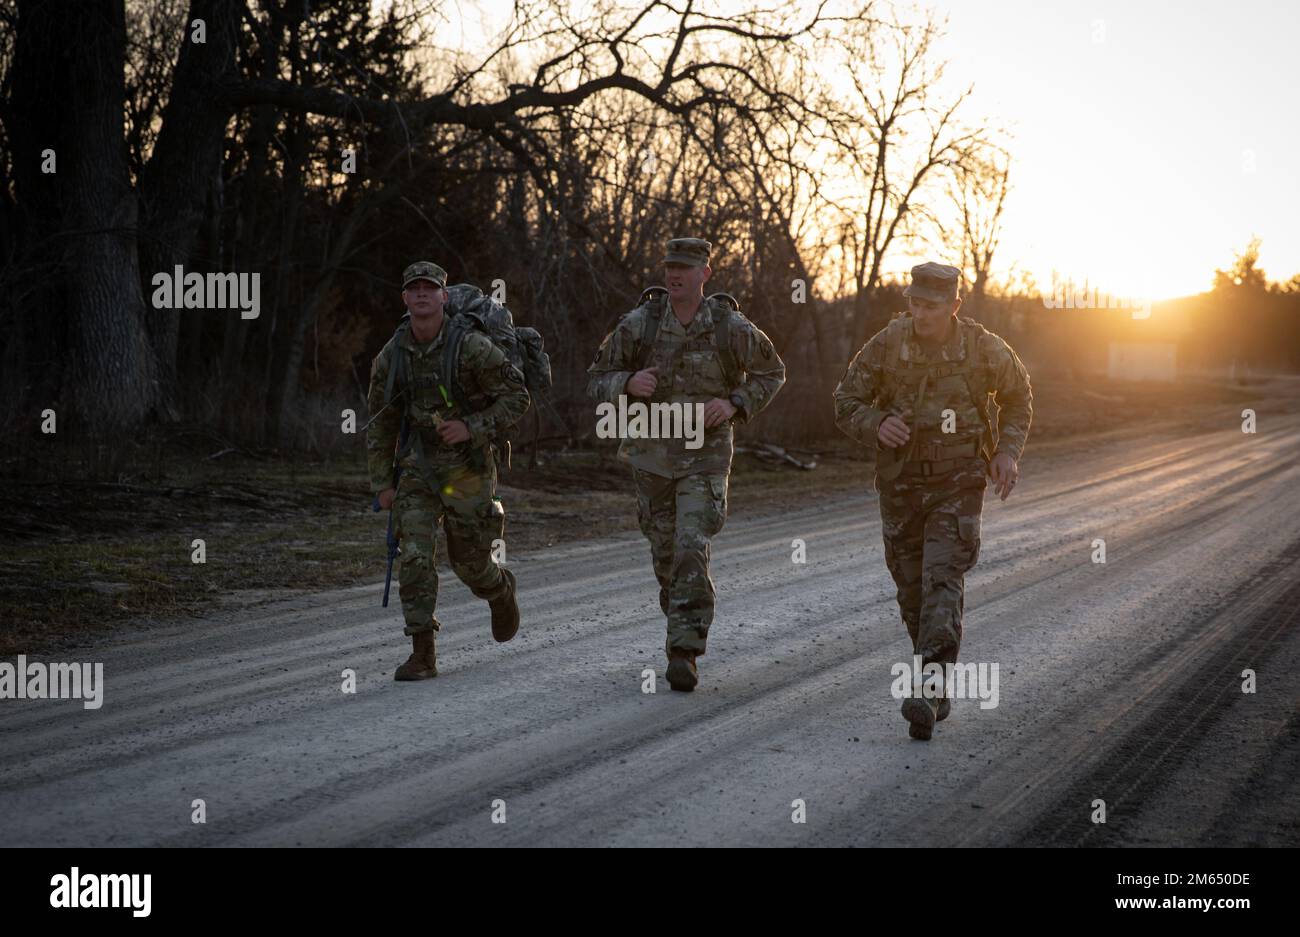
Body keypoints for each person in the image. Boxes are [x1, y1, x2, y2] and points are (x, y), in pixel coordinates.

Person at [833, 261, 1032, 738]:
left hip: (959, 481)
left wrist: (1006, 451)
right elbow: (846, 401)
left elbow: (1019, 395)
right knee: (912, 590)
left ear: (954, 306)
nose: (921, 314)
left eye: (932, 305)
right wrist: (876, 423)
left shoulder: (982, 348)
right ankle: (937, 684)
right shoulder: (887, 344)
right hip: (901, 484)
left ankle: (926, 685)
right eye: (915, 304)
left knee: (942, 578)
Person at [587, 238, 787, 691]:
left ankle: (683, 651)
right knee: (666, 555)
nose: (674, 274)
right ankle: (681, 611)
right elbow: (595, 378)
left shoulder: (729, 327)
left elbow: (772, 372)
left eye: (685, 267)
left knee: (691, 544)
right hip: (651, 457)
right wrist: (626, 382)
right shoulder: (641, 323)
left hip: (706, 456)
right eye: (670, 266)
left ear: (705, 273)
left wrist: (735, 402)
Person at [366, 261, 530, 680]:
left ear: (443, 296)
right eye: (413, 288)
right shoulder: (393, 355)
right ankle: (423, 653)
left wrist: (471, 427)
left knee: (470, 563)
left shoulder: (470, 347)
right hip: (418, 468)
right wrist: (383, 483)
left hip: (468, 466)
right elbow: (381, 423)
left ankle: (498, 590)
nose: (421, 294)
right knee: (416, 557)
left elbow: (516, 397)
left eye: (430, 288)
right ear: (404, 298)